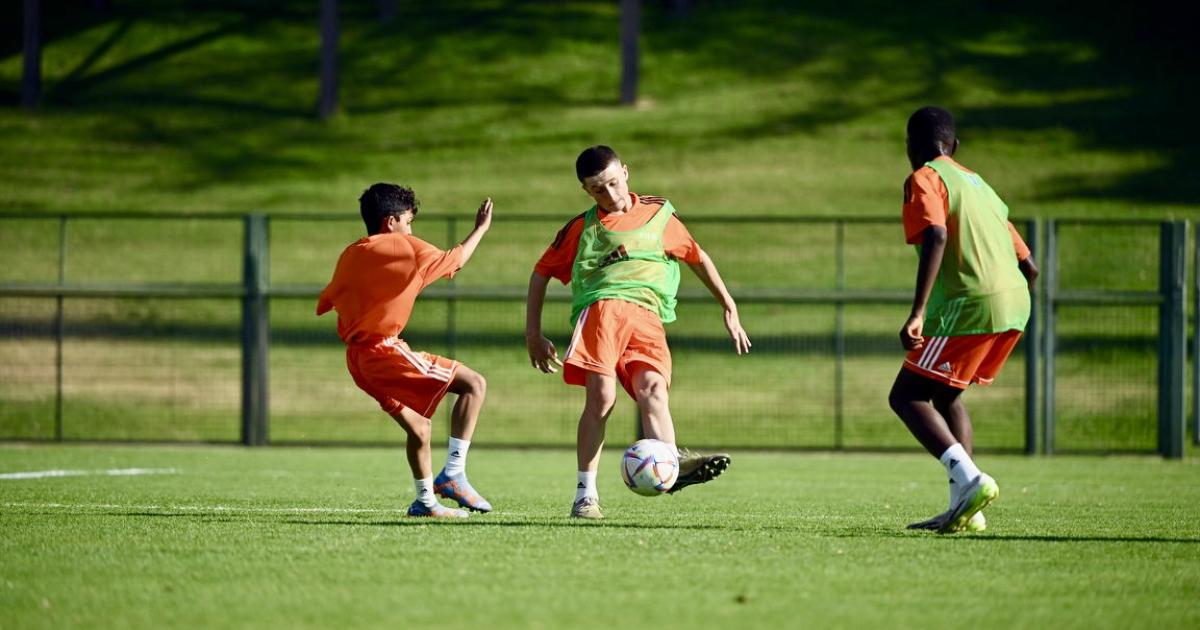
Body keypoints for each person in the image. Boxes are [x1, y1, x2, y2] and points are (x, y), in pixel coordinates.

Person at [525, 145, 752, 520]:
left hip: (647, 317)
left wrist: (728, 304)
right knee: (602, 398)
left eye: (614, 183)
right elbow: (540, 273)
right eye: (599, 189)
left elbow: (697, 256)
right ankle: (586, 495)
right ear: (587, 191)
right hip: (601, 311)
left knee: (654, 390)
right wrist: (533, 333)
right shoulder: (582, 229)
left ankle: (671, 466)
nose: (610, 195)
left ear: (626, 173)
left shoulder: (659, 215)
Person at [887, 107, 1039, 534]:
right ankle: (965, 508)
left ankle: (971, 480)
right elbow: (1030, 266)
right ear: (953, 145)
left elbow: (936, 234)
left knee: (906, 396)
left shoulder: (925, 178)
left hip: (969, 304)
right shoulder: (982, 187)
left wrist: (917, 312)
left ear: (913, 146)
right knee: (947, 397)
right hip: (1014, 305)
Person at [317, 183, 495, 518]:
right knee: (474, 384)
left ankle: (426, 502)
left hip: (357, 360)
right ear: (391, 222)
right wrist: (480, 229)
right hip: (383, 351)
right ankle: (454, 473)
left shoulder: (353, 251)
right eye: (408, 222)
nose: (411, 230)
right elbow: (454, 261)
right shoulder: (402, 245)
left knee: (420, 428)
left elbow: (330, 299)